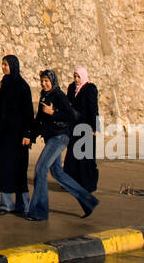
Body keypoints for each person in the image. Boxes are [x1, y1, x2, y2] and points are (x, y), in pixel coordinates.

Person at [25, 69, 100, 221]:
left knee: (40, 169)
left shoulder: (59, 96)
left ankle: (39, 211)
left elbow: (71, 115)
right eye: (42, 81)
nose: (44, 83)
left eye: (47, 81)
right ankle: (88, 201)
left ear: (53, 82)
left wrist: (53, 113)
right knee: (57, 172)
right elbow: (39, 119)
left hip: (59, 137)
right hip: (51, 137)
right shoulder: (44, 95)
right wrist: (30, 136)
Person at [0, 54, 33, 215]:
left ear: (13, 66)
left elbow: (28, 113)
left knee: (19, 170)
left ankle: (24, 205)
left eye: (6, 65)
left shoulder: (22, 86)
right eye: (2, 65)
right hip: (3, 135)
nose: (3, 67)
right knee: (4, 169)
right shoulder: (3, 84)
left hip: (18, 136)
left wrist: (27, 133)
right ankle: (6, 205)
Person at [63, 65, 100, 193]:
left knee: (86, 157)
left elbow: (94, 108)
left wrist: (95, 127)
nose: (76, 79)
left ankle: (88, 185)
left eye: (78, 76)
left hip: (87, 127)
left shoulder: (90, 88)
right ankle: (71, 183)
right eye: (75, 76)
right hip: (74, 127)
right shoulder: (71, 88)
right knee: (73, 155)